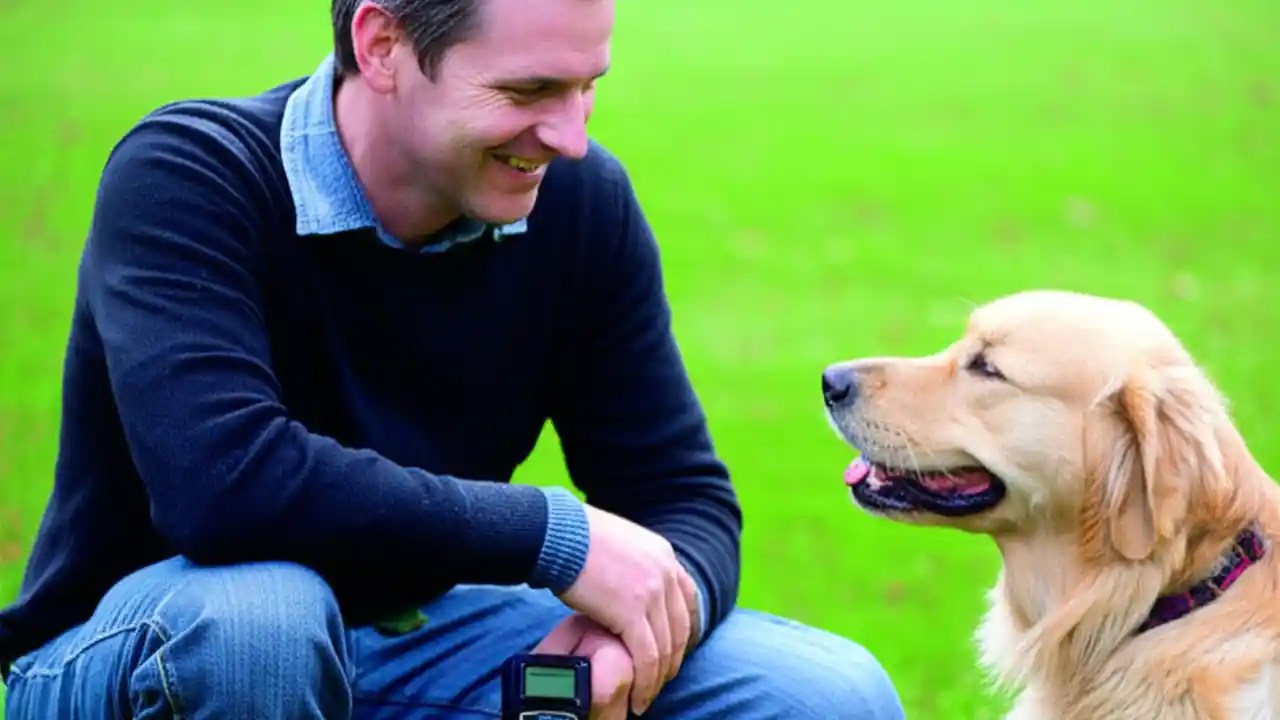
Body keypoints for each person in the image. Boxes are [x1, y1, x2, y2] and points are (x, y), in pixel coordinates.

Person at [0, 0, 905, 717]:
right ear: (382, 45)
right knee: (261, 624)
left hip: (416, 638)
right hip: (142, 649)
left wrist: (647, 626)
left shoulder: (580, 202)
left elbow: (681, 496)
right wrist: (554, 535)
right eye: (529, 91)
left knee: (827, 693)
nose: (570, 136)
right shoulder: (191, 176)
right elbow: (222, 483)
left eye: (587, 87)